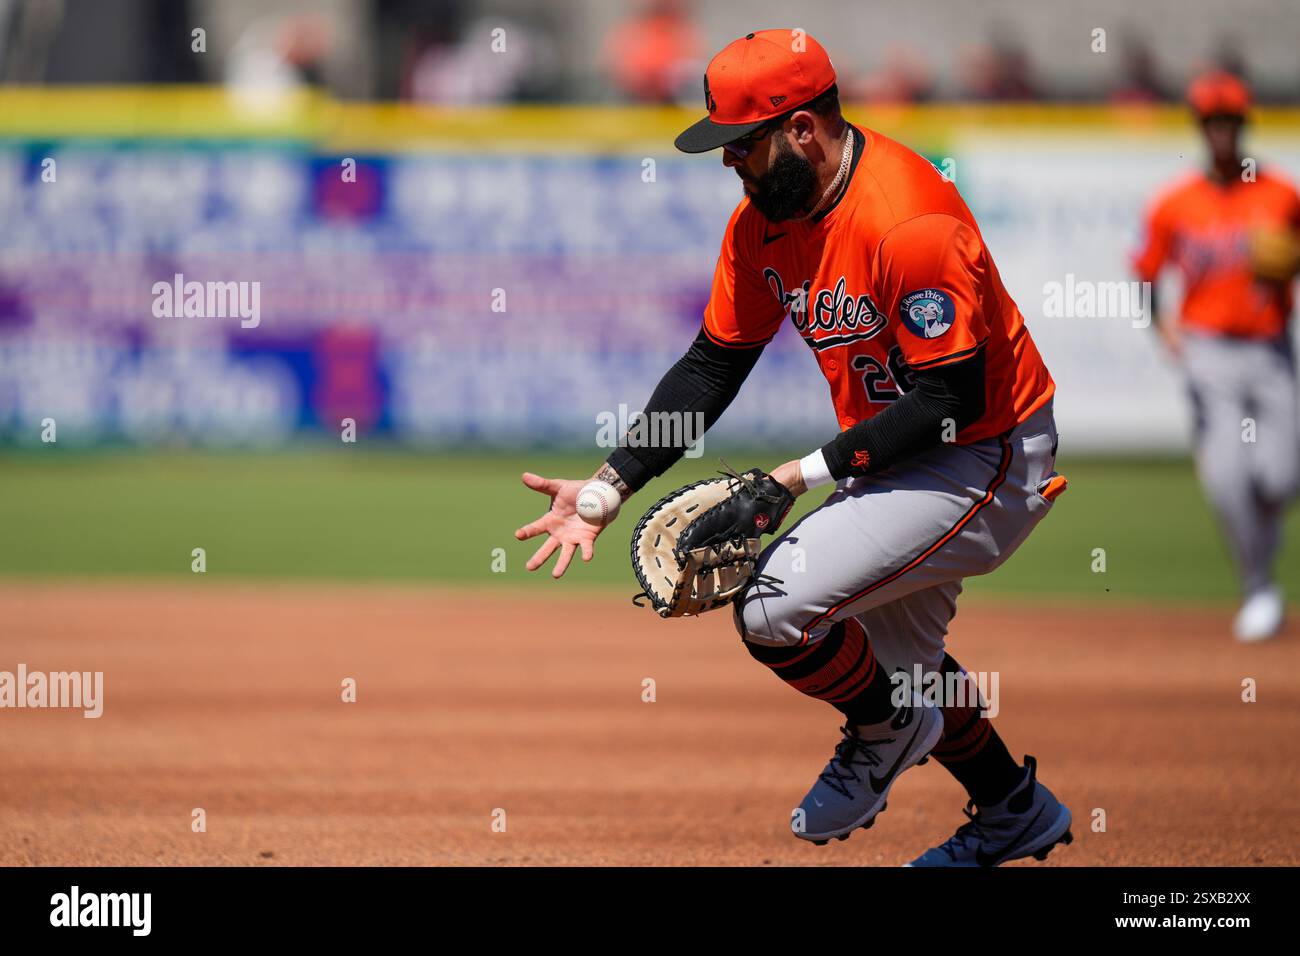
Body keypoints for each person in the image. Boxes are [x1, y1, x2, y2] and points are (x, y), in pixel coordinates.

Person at [515, 30, 1072, 866]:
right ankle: (1011, 807)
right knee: (902, 664)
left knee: (775, 609)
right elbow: (712, 365)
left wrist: (796, 478)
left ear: (804, 129)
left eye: (742, 144)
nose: (729, 163)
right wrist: (608, 486)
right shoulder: (763, 226)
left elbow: (950, 400)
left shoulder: (908, 219)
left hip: (984, 452)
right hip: (895, 455)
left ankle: (886, 729)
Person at [1133, 70, 1300, 642]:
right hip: (1208, 351)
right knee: (1229, 477)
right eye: (1212, 122)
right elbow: (1147, 272)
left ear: (1243, 126)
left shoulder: (1281, 194)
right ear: (1202, 129)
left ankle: (1263, 547)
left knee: (1279, 477)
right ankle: (1258, 587)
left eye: (1229, 121)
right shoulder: (1175, 202)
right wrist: (1163, 329)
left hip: (1271, 349)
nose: (1221, 132)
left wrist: (1287, 265)